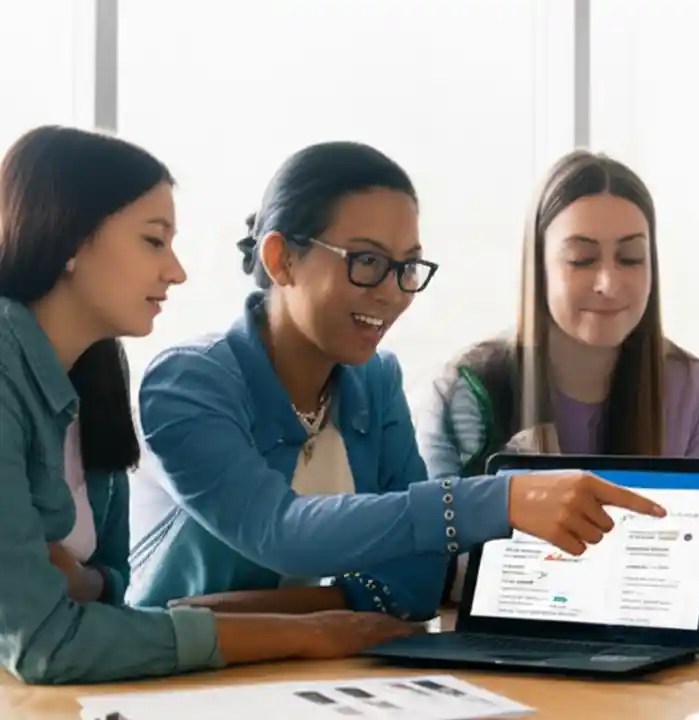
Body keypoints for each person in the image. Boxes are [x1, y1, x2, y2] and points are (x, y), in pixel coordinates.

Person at [128, 142, 664, 619]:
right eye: (366, 261)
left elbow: (417, 580)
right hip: (173, 682)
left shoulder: (373, 382)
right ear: (281, 258)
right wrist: (501, 501)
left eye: (407, 266)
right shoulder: (188, 383)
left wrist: (291, 613)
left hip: (305, 677)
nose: (392, 293)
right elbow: (280, 531)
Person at [0, 126, 422, 685]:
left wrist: (86, 585)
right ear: (71, 238)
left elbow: (111, 592)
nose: (176, 270)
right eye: (154, 241)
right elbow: (45, 642)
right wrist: (308, 631)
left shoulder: (98, 372)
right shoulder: (178, 378)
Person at [415, 151, 699, 600]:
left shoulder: (690, 385)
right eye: (581, 260)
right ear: (538, 266)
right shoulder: (464, 388)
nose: (608, 283)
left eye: (632, 258)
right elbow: (432, 559)